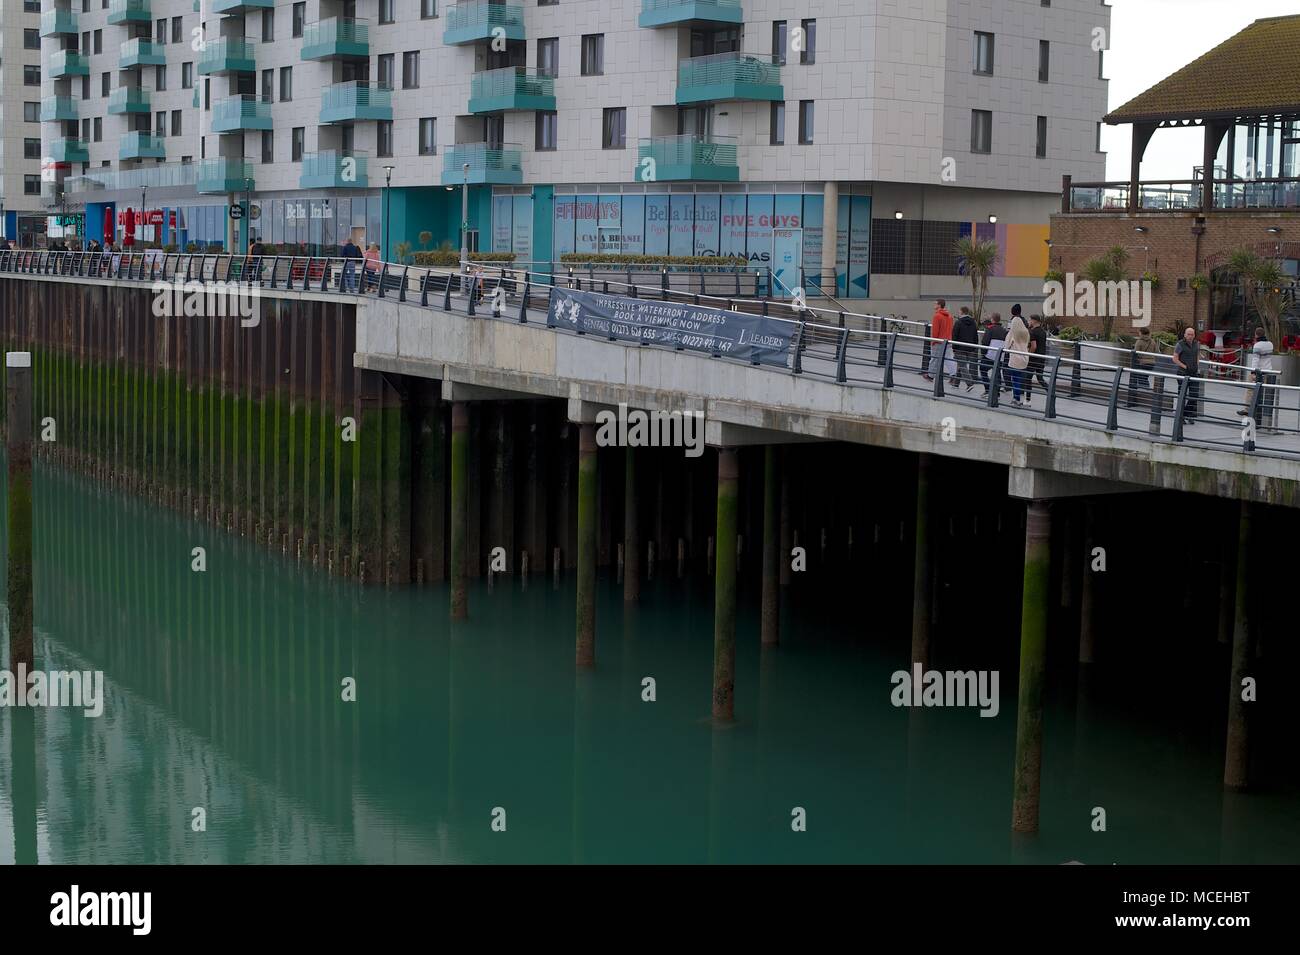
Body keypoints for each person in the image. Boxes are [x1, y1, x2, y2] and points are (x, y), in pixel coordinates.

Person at [1245, 326, 1278, 433]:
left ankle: (1249, 410)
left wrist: (1253, 373)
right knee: (1265, 395)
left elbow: (1255, 360)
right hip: (1268, 371)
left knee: (1252, 391)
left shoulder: (1257, 345)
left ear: (1256, 334)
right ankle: (1264, 418)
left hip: (1259, 372)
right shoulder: (1270, 344)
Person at [1172, 326, 1201, 424]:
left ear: (1194, 335)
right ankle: (1181, 416)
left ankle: (1186, 413)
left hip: (1194, 373)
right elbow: (1175, 358)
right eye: (1188, 334)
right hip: (1182, 373)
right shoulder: (1180, 344)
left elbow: (1197, 355)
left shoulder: (1197, 344)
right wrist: (1184, 366)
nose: (1190, 336)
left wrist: (1196, 365)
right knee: (1182, 395)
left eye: (1192, 334)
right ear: (1185, 335)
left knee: (1194, 395)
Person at [925, 298, 954, 382]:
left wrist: (933, 341)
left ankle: (930, 375)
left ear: (939, 305)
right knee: (949, 358)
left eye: (935, 304)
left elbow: (935, 331)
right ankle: (953, 375)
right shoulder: (949, 316)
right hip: (947, 340)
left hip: (938, 341)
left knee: (934, 358)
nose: (934, 305)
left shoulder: (937, 316)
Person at [952, 306, 980, 389]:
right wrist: (974, 346)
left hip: (960, 348)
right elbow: (975, 335)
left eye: (959, 311)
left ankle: (969, 383)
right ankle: (956, 384)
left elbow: (954, 335)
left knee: (962, 365)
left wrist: (954, 347)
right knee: (961, 365)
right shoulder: (973, 322)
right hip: (969, 347)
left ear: (962, 312)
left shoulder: (958, 322)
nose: (958, 313)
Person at [1005, 316, 1031, 406]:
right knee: (1019, 379)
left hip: (1015, 358)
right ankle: (1018, 397)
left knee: (1015, 379)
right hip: (1024, 358)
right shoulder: (1026, 332)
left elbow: (1006, 346)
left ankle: (1016, 398)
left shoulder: (1012, 333)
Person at [980, 312, 1008, 396]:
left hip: (989, 355)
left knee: (982, 369)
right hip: (1000, 356)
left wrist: (983, 353)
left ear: (992, 319)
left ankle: (988, 389)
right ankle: (997, 393)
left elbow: (985, 342)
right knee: (997, 373)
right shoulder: (1004, 330)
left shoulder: (990, 329)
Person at [1131, 325, 1160, 402]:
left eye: (1139, 332)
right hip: (1152, 363)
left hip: (1142, 362)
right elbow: (1157, 352)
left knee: (1141, 378)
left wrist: (1141, 357)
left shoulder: (1139, 341)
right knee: (1145, 377)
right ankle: (1146, 392)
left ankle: (1145, 395)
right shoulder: (1153, 341)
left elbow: (1136, 352)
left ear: (1141, 333)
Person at [1024, 314, 1049, 401]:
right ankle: (1050, 392)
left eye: (1030, 320)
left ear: (1034, 321)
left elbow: (1033, 346)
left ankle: (1027, 399)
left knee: (1027, 378)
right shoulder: (1043, 332)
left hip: (1033, 359)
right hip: (1041, 358)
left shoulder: (1032, 332)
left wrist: (1028, 354)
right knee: (1040, 378)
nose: (1029, 322)